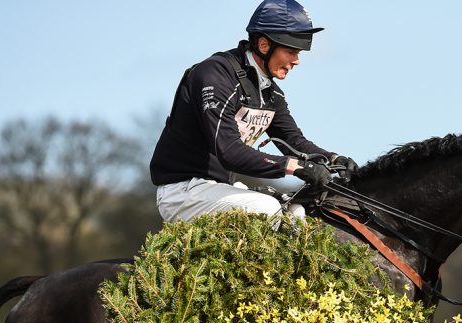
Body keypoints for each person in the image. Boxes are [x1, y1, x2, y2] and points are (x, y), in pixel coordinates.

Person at [150, 0, 358, 222]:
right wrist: (294, 167)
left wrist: (334, 159)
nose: (296, 61)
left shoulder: (270, 93)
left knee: (297, 212)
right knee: (267, 207)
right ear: (264, 45)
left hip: (220, 189)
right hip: (183, 192)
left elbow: (293, 140)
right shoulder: (215, 75)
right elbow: (229, 151)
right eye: (290, 51)